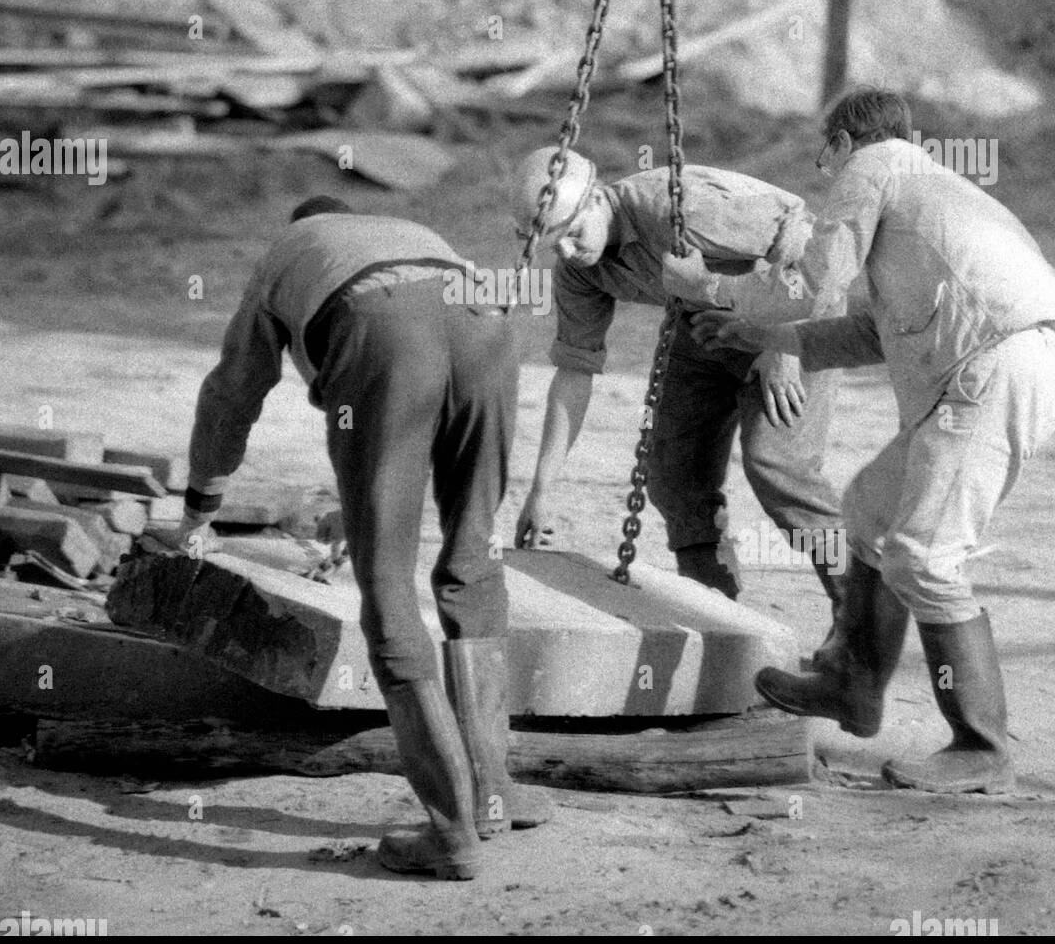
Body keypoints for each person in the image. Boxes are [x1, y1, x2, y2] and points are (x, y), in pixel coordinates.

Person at [691, 87, 1055, 794]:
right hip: (1000, 365)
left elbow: (816, 276)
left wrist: (717, 291)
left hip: (996, 367)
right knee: (867, 510)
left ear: (844, 141)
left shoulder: (877, 164)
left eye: (822, 153)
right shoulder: (922, 200)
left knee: (925, 554)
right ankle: (853, 686)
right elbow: (867, 329)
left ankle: (981, 745)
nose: (817, 167)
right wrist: (771, 337)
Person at [165, 196, 552, 879]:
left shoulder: (287, 254)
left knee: (386, 586)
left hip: (384, 332)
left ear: (299, 224)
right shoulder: (408, 229)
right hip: (486, 327)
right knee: (472, 557)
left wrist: (200, 506)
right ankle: (494, 791)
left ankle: (451, 833)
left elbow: (232, 394)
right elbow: (430, 349)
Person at [510, 146, 850, 632]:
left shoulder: (672, 207)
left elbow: (803, 239)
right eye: (552, 243)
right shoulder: (578, 269)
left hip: (793, 311)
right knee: (672, 472)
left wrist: (782, 345)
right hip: (704, 318)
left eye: (571, 234)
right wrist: (541, 489)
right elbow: (573, 374)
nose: (566, 251)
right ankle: (717, 617)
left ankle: (860, 618)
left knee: (777, 464)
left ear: (595, 200)